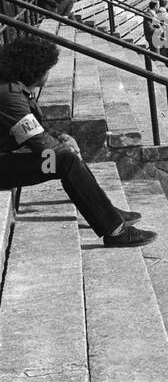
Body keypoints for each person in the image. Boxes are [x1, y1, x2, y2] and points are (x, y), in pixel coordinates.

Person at [0, 37, 155, 247]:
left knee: (65, 155)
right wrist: (64, 147)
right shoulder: (9, 96)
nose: (49, 73)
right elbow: (42, 145)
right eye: (48, 68)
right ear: (36, 70)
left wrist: (62, 138)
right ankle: (115, 230)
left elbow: (35, 129)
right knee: (65, 160)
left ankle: (107, 211)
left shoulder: (14, 89)